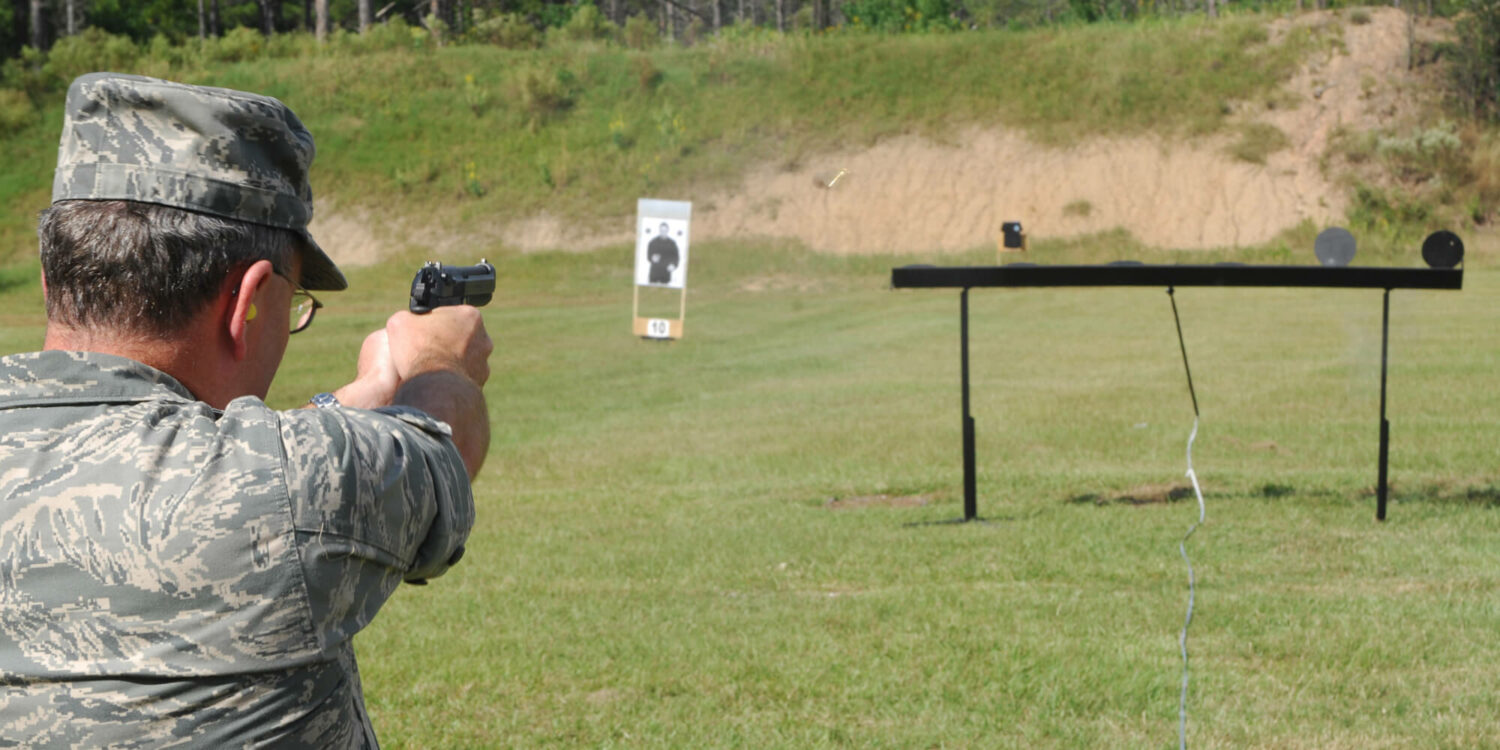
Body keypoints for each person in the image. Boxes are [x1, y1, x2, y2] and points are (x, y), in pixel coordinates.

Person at [0, 73, 492, 747]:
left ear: (52, 278)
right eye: (295, 306)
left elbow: (208, 459)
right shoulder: (282, 486)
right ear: (248, 302)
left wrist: (350, 401)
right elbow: (441, 453)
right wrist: (440, 363)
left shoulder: (266, 479)